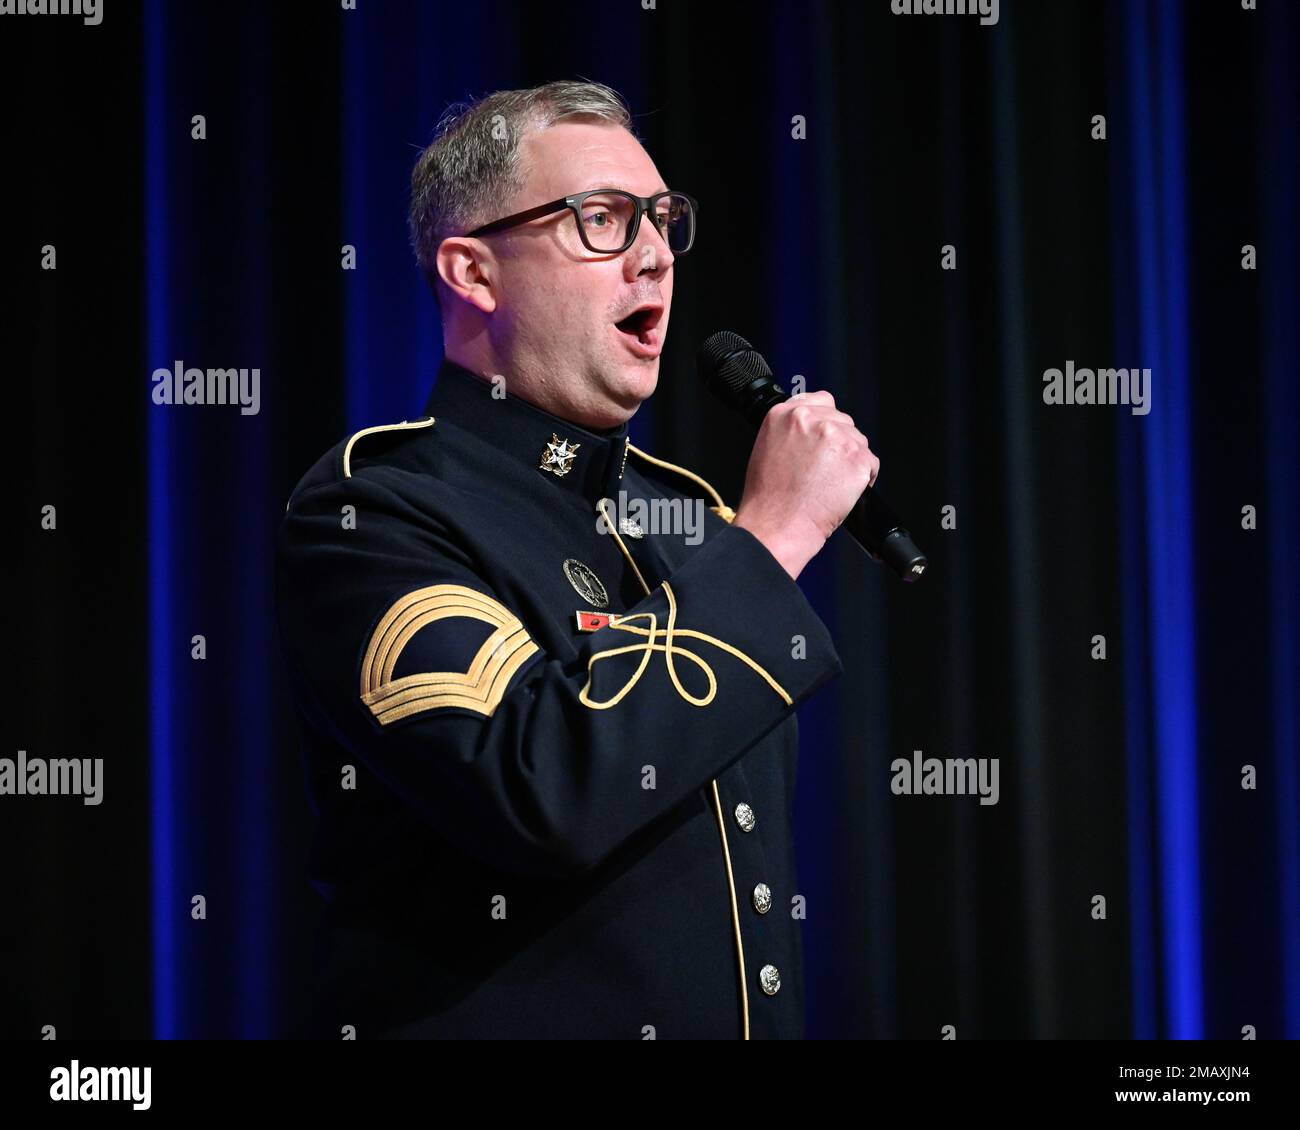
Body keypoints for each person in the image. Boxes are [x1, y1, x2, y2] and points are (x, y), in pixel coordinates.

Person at [274, 79, 879, 1039]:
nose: (653, 257)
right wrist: (770, 543)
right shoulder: (374, 511)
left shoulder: (683, 517)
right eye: (601, 219)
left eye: (664, 220)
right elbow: (536, 789)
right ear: (474, 272)